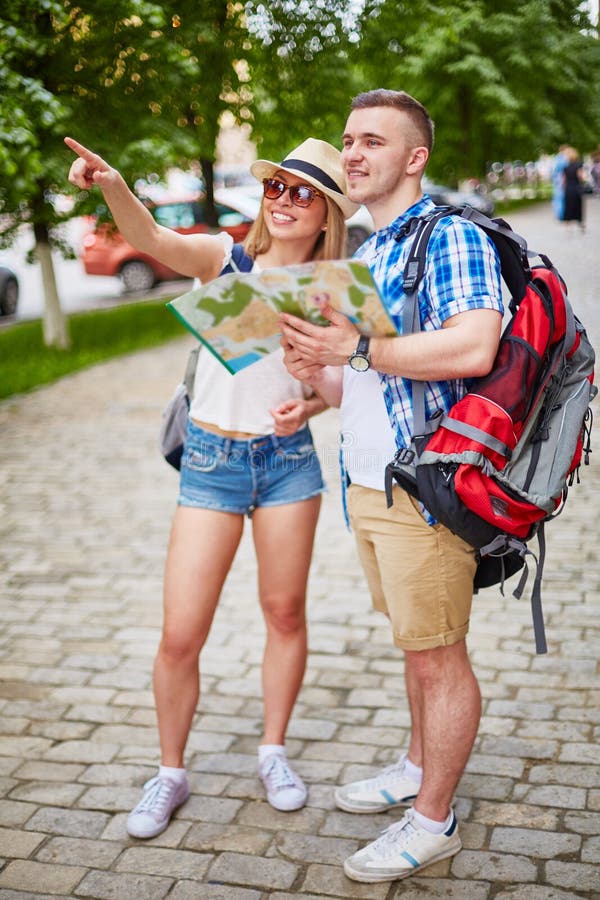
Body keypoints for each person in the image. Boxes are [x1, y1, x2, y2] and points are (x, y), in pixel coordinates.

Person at [65, 135, 358, 837]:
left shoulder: (335, 288)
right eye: (276, 187)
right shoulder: (225, 260)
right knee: (180, 634)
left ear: (327, 214)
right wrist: (112, 185)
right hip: (211, 462)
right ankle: (169, 772)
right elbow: (150, 234)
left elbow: (345, 389)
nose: (284, 200)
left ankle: (274, 750)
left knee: (284, 614)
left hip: (288, 462)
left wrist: (311, 394)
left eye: (302, 193)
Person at [278, 89, 504, 884]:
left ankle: (432, 819)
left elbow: (473, 346)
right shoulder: (368, 256)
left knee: (440, 655)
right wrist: (318, 377)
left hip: (428, 486)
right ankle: (415, 764)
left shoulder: (449, 236)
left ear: (415, 158)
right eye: (347, 139)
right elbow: (364, 381)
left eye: (373, 140)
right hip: (368, 484)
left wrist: (359, 351)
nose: (352, 153)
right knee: (415, 642)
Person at [562, 145, 586, 231]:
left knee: (568, 206)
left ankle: (568, 225)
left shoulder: (565, 167)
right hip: (576, 187)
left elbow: (563, 180)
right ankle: (580, 223)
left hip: (568, 188)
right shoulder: (578, 165)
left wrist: (564, 189)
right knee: (578, 206)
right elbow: (581, 177)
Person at [551, 144, 568, 221]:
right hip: (562, 179)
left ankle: (559, 214)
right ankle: (562, 214)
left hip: (557, 180)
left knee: (557, 197)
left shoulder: (556, 158)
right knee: (561, 197)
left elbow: (553, 171)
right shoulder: (564, 158)